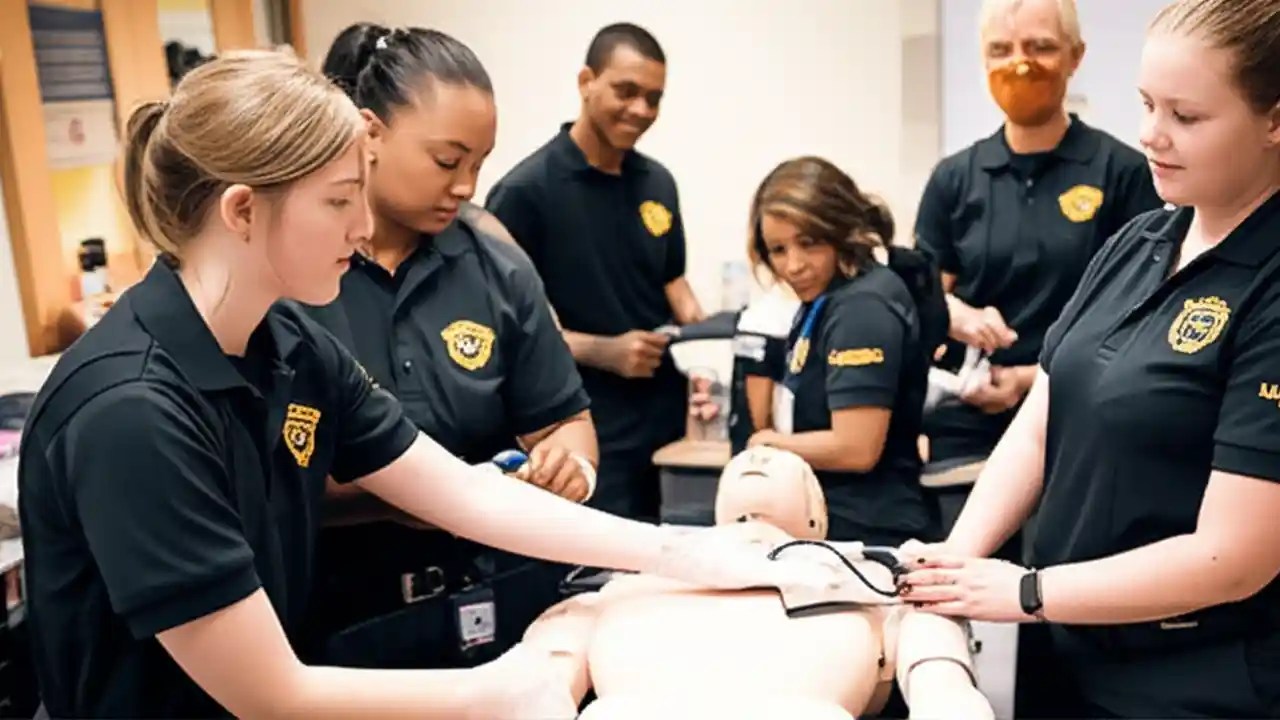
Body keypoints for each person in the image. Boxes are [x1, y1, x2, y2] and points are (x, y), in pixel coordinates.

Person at [14, 50, 838, 719]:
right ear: (241, 212)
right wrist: (495, 692)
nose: (363, 227)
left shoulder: (287, 341)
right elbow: (266, 692)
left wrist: (689, 552)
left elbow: (467, 495)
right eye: (339, 201)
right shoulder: (132, 411)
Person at [902, 0, 1280, 716]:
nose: (1150, 136)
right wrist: (961, 556)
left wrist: (1025, 590)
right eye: (1145, 105)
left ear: (1273, 121)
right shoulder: (1140, 241)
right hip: (1068, 645)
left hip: (1190, 676)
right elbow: (1044, 420)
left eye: (1185, 117)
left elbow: (1236, 555)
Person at [301, 23, 597, 672]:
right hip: (333, 622)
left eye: (479, 164)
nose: (466, 185)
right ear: (368, 134)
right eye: (447, 160)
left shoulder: (495, 267)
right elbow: (261, 476)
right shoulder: (294, 269)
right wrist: (419, 495)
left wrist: (568, 469)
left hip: (490, 604)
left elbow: (564, 421)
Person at [913, 0, 1162, 539]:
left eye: (1040, 46)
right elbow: (924, 291)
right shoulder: (955, 179)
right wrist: (955, 315)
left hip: (1078, 418)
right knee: (954, 593)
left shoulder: (1122, 174)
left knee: (1050, 599)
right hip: (967, 423)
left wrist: (1029, 381)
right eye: (1000, 50)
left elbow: (1142, 311)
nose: (1019, 64)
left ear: (1076, 57)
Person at [509, 445, 993, 720]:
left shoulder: (875, 579)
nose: (758, 456)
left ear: (816, 517)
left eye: (785, 466)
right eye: (743, 461)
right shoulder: (626, 580)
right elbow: (526, 686)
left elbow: (945, 692)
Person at [486, 22, 705, 522]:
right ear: (586, 81)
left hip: (664, 420)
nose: (641, 111)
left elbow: (674, 282)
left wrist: (711, 334)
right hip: (580, 427)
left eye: (654, 98)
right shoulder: (524, 193)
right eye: (626, 92)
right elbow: (506, 331)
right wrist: (604, 351)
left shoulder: (659, 183)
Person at [740, 157, 941, 547]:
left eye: (808, 243)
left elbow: (856, 448)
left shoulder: (862, 307)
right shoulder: (827, 297)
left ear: (840, 229)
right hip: (835, 522)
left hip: (869, 531)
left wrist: (766, 444)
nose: (793, 265)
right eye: (778, 250)